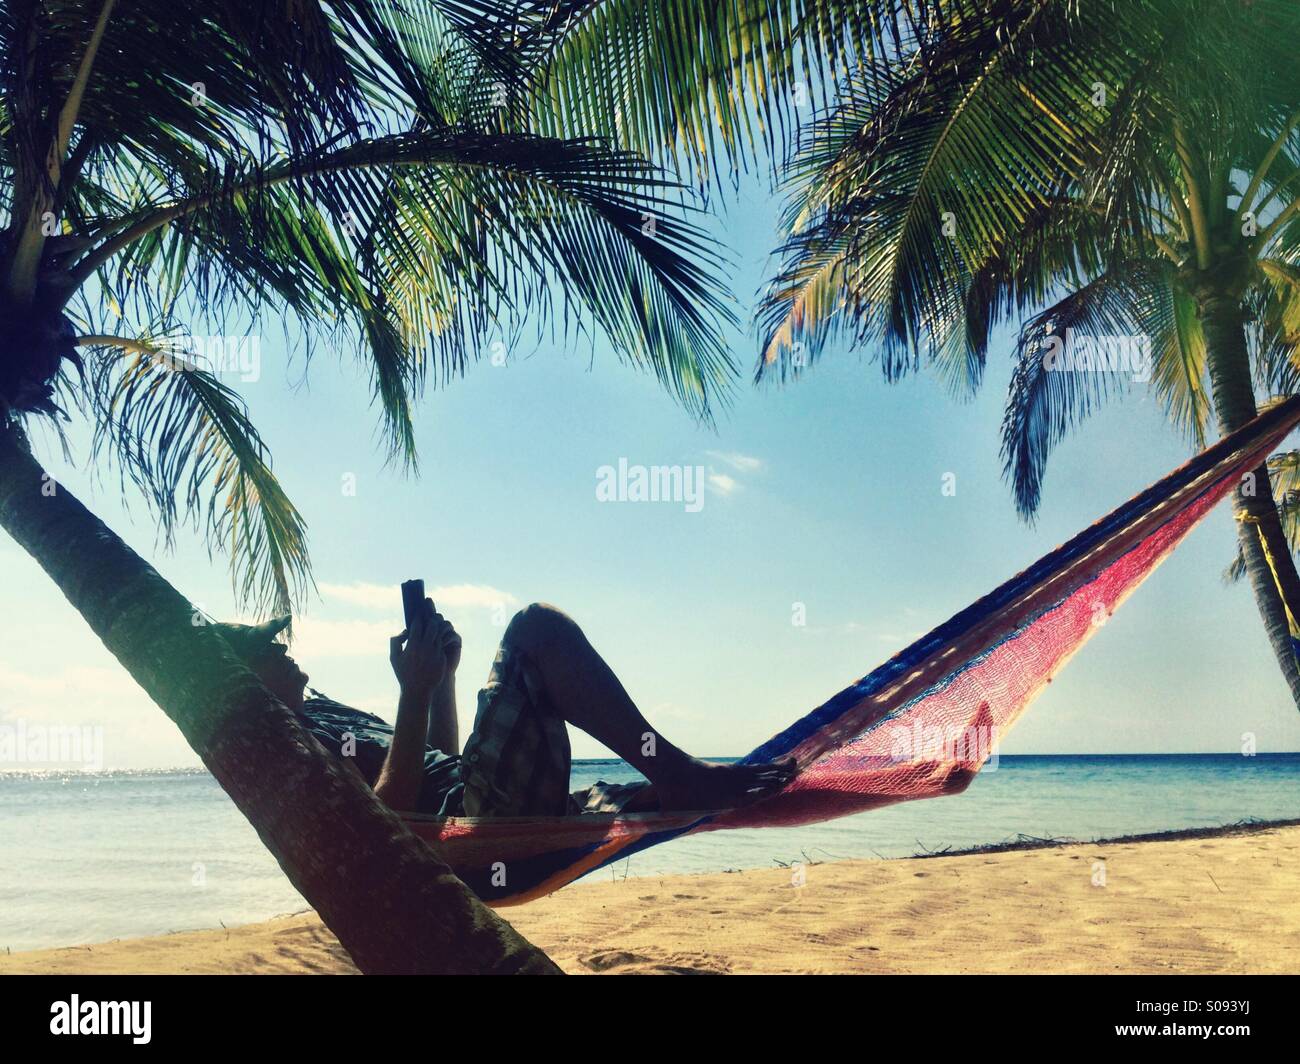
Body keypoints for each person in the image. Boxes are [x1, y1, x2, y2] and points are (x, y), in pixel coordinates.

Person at [214, 600, 795, 817]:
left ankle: (675, 781)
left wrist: (442, 680)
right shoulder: (288, 744)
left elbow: (434, 761)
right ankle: (680, 773)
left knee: (644, 806)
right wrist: (412, 692)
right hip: (477, 819)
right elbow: (378, 820)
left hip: (479, 793)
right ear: (241, 676)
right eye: (268, 649)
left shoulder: (325, 710)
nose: (284, 651)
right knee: (534, 630)